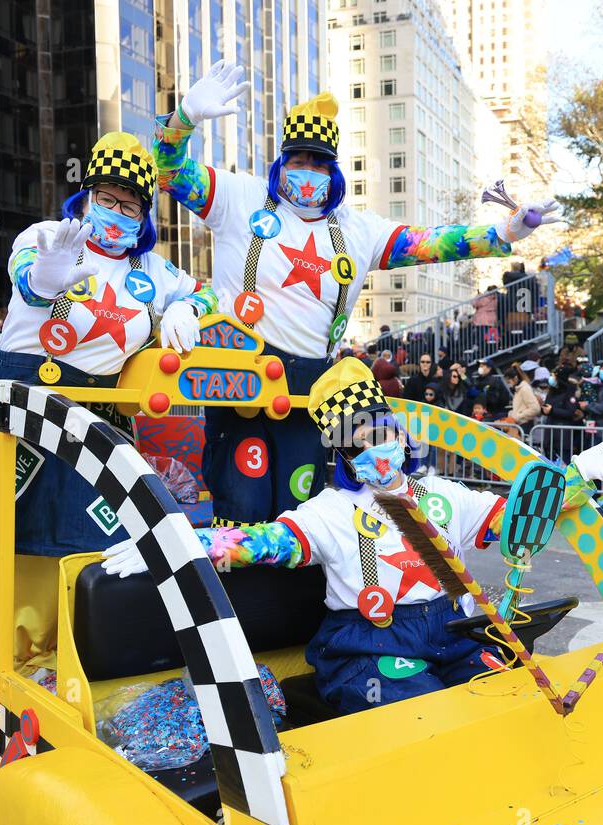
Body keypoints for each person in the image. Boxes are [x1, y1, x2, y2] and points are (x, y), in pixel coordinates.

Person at [103, 358, 603, 714]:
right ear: (341, 455)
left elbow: (513, 516)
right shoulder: (329, 512)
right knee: (422, 720)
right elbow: (268, 541)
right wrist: (182, 542)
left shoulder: (442, 495)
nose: (376, 449)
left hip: (451, 631)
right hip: (369, 647)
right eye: (358, 442)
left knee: (506, 701)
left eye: (383, 434)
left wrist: (573, 473)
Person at [152, 61, 561, 525]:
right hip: (240, 379)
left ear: (334, 170)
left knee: (299, 513)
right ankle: (235, 598)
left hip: (311, 390)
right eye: (298, 160)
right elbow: (169, 174)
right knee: (240, 509)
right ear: (280, 163)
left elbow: (430, 243)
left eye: (318, 163)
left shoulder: (358, 229)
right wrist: (183, 118)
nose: (307, 172)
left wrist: (503, 231)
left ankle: (291, 598)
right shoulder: (237, 196)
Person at [0, 131, 215, 676]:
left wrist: (189, 309)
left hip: (100, 418)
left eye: (129, 203)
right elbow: (29, 283)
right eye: (106, 197)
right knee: (20, 533)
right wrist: (43, 279)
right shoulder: (48, 235)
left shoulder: (153, 271)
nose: (117, 211)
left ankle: (85, 658)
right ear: (85, 196)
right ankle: (11, 663)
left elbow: (209, 291)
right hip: (27, 400)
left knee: (101, 538)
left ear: (144, 213)